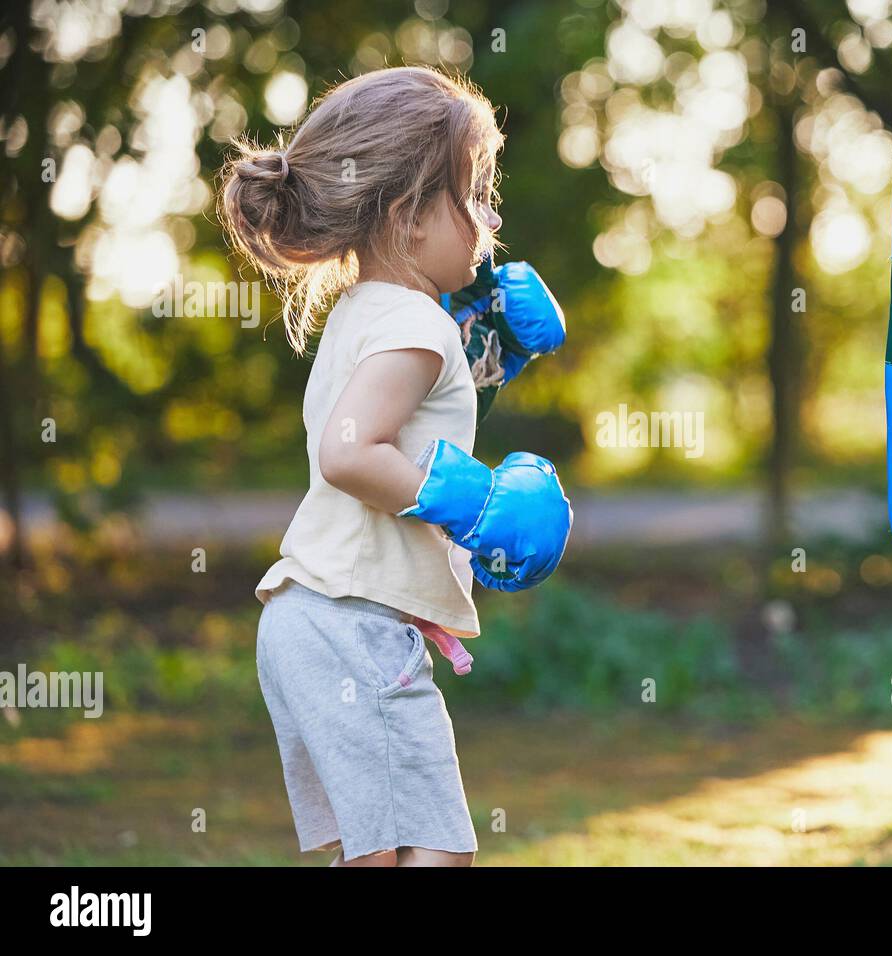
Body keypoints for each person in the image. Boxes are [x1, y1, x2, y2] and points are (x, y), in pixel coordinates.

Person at [218, 66, 572, 867]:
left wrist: (493, 353)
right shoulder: (416, 323)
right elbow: (351, 450)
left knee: (380, 854)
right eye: (475, 196)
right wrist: (473, 502)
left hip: (310, 619)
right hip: (352, 624)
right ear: (412, 217)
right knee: (436, 852)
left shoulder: (371, 313)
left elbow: (406, 412)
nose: (490, 221)